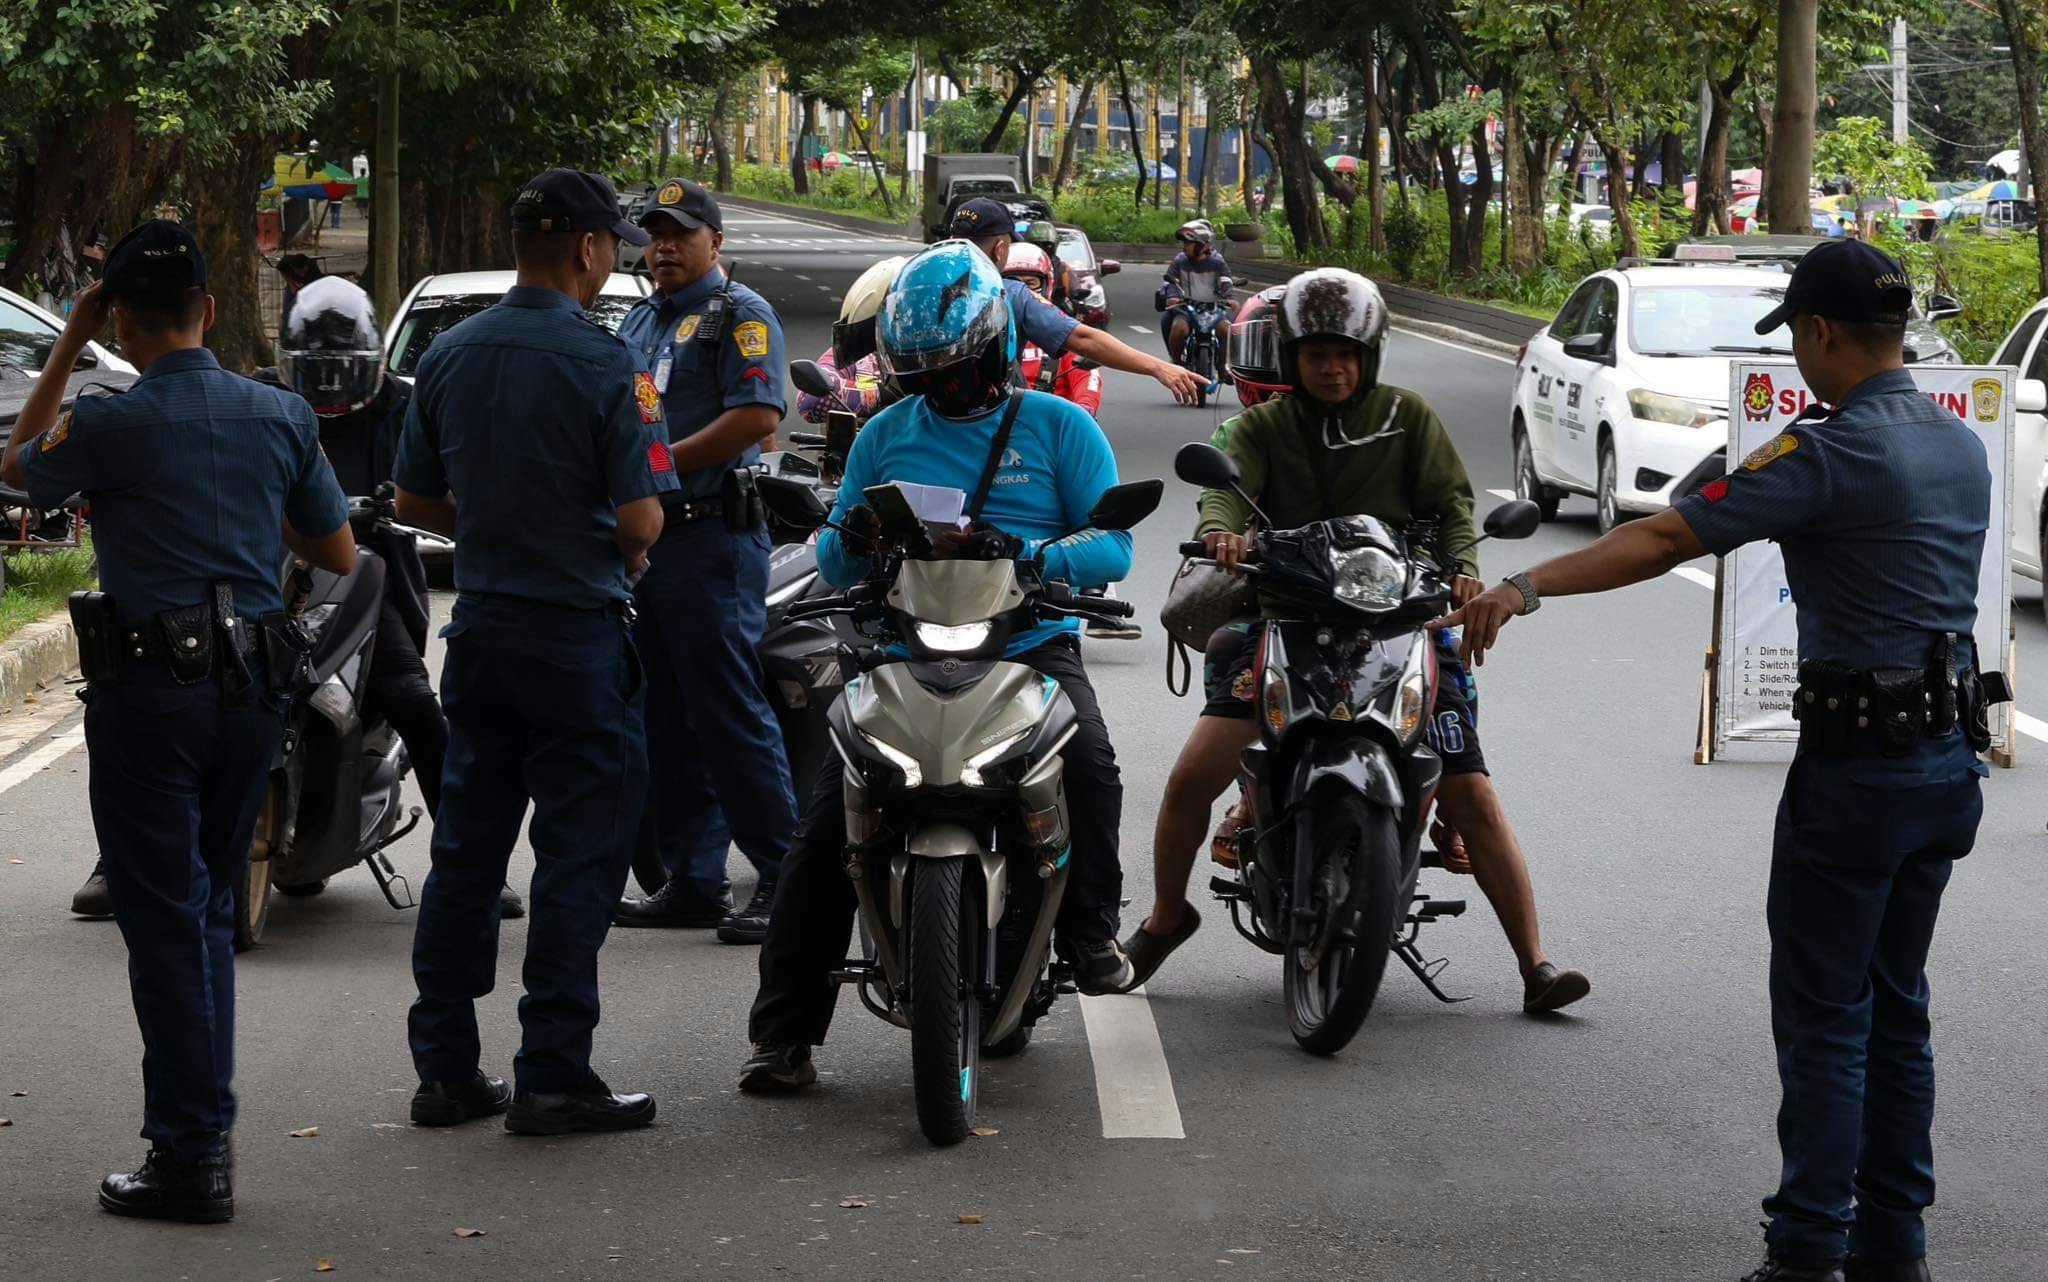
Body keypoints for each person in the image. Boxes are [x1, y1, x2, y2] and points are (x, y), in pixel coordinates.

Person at [1435, 240, 1990, 1282]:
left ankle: (1805, 1253)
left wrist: (1522, 588)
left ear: (1820, 334)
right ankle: (1892, 1249)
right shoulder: (1953, 443)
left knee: (1825, 1016)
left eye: (1798, 338)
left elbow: (1661, 541)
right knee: (1895, 1008)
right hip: (1941, 769)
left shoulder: (1829, 452)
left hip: (1855, 775)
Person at [3, 219, 355, 1222]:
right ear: (207, 308)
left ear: (119, 315)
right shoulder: (278, 415)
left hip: (149, 699)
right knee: (202, 912)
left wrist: (71, 342)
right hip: (250, 692)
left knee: (167, 921)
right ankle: (197, 1138)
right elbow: (333, 551)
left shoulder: (108, 423)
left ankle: (192, 1154)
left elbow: (17, 468)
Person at [1120, 268, 1590, 1017]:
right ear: (1293, 357)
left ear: (1370, 354)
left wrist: (1465, 571)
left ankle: (1534, 963)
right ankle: (1166, 916)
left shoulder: (1409, 418)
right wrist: (1222, 535)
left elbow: (1454, 504)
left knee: (1470, 790)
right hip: (1287, 620)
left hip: (1400, 621)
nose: (1331, 368)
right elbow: (1223, 486)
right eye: (1316, 355)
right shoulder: (1264, 426)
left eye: (1346, 354)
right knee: (1189, 779)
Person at [738, 241, 1136, 1093]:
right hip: (901, 646)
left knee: (1093, 771)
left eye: (956, 369)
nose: (942, 388)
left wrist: (1031, 555)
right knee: (820, 839)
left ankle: (1092, 934)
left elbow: (1114, 545)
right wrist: (864, 540)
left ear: (994, 349)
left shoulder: (1060, 427)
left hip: (1028, 643)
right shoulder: (884, 434)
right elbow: (839, 559)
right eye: (925, 374)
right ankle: (783, 1036)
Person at [396, 168, 673, 1136]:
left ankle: (444, 1069)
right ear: (590, 250)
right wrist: (603, 538)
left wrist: (493, 520)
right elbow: (641, 518)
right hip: (577, 641)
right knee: (576, 858)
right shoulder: (609, 368)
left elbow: (413, 502)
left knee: (466, 852)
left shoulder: (450, 354)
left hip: (481, 635)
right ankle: (553, 1069)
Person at [271, 276, 525, 916]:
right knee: (177, 697)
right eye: (315, 372)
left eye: (341, 372)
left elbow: (437, 480)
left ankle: (471, 869)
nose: (328, 387)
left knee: (415, 701)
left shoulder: (403, 408)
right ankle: (122, 861)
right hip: (271, 577)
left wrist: (404, 506)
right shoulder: (267, 403)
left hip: (365, 582)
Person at [610, 178, 795, 944]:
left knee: (727, 712)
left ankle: (785, 874)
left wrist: (651, 467)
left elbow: (756, 418)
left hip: (713, 536)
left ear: (715, 243)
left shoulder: (740, 317)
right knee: (667, 714)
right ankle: (694, 880)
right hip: (652, 541)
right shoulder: (639, 320)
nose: (663, 247)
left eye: (680, 234)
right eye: (654, 235)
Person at [946, 196, 1205, 405]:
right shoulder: (1009, 292)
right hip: (983, 415)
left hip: (918, 417)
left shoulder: (913, 281)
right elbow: (1084, 339)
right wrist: (1158, 367)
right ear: (1001, 249)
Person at [1000, 242, 1103, 416]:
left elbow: (1087, 379)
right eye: (1011, 282)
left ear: (1047, 285)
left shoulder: (1064, 332)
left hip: (1048, 427)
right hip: (992, 426)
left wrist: (1085, 409)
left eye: (1030, 284)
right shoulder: (983, 332)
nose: (1020, 291)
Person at [1158, 219, 1232, 365]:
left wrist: (1228, 297)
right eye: (1184, 243)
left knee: (1226, 331)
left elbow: (1226, 280)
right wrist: (1172, 296)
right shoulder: (1180, 261)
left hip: (1213, 309)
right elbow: (1170, 281)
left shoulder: (1218, 262)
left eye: (1188, 243)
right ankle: (1176, 362)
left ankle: (1223, 366)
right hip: (1187, 308)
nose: (1184, 247)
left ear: (1202, 245)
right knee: (1178, 329)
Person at [274, 252, 321, 337]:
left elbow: (315, 288)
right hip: (293, 286)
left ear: (306, 266)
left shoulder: (314, 269)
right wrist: (292, 284)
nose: (302, 274)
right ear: (293, 267)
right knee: (286, 312)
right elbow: (281, 269)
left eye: (303, 272)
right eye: (299, 272)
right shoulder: (287, 261)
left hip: (309, 289)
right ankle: (282, 336)